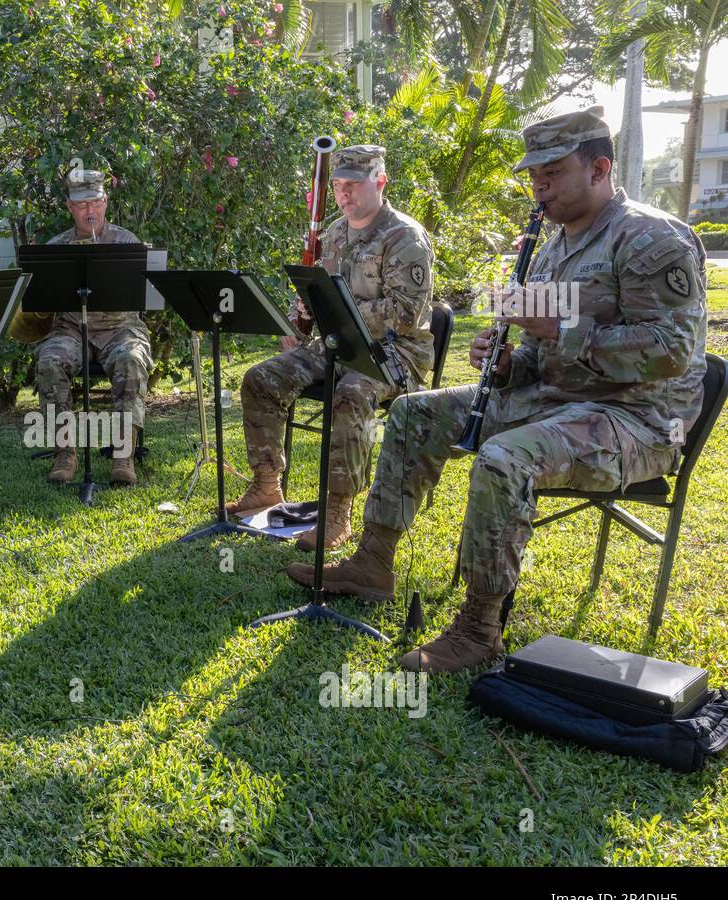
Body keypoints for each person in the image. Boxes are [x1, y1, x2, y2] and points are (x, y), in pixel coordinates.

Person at [289, 106, 708, 674]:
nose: (539, 187)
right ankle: (373, 562)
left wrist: (560, 329)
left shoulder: (652, 239)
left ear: (600, 168)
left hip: (638, 419)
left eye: (552, 173)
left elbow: (672, 351)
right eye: (533, 176)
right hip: (555, 400)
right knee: (413, 413)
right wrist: (508, 362)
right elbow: (540, 355)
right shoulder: (553, 244)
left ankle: (480, 626)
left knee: (506, 457)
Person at [227, 145, 435, 551]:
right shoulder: (335, 233)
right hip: (337, 343)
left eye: (353, 185)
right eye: (338, 186)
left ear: (380, 181)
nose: (344, 194)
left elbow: (406, 314)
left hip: (396, 351)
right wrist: (300, 315)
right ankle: (267, 483)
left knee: (352, 393)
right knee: (260, 378)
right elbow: (316, 289)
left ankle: (338, 511)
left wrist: (342, 310)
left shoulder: (404, 236)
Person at [32, 169, 153, 486]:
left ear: (105, 202)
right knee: (49, 361)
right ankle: (65, 453)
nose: (89, 211)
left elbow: (144, 299)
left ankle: (123, 455)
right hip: (70, 329)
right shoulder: (56, 247)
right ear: (69, 207)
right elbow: (41, 306)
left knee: (132, 359)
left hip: (120, 328)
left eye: (95, 203)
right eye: (82, 205)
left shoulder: (127, 242)